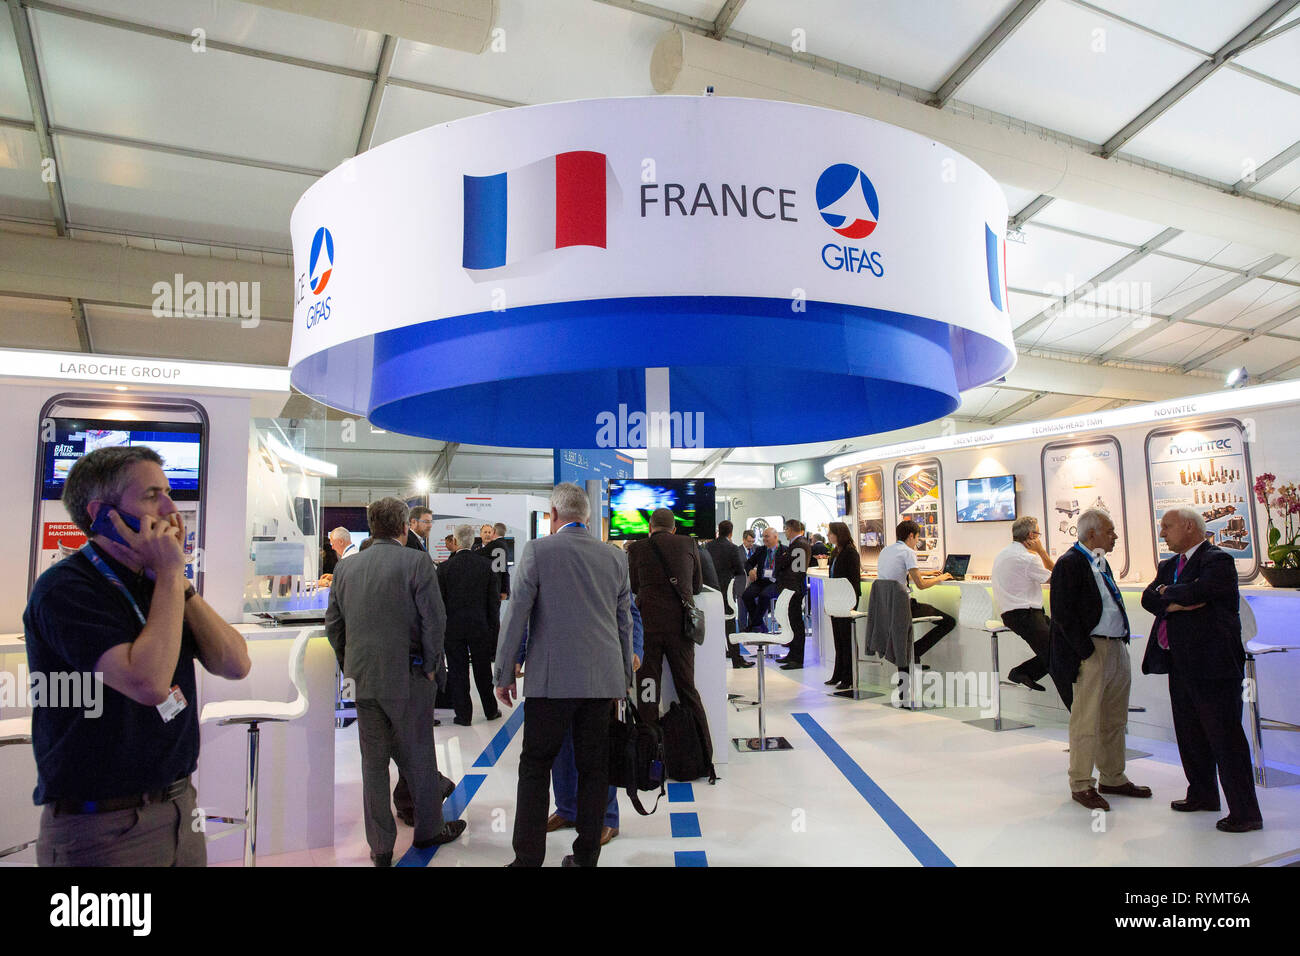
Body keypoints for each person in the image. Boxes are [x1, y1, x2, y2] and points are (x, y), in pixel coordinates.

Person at [23, 446, 252, 866]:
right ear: (101, 512)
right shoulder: (66, 589)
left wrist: (177, 581)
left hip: (180, 806)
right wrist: (168, 573)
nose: (170, 507)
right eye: (151, 495)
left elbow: (235, 664)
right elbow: (148, 684)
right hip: (102, 829)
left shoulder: (160, 585)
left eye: (167, 492)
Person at [494, 483, 633, 867]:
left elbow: (515, 616)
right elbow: (623, 624)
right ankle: (585, 858)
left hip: (550, 684)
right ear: (587, 517)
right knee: (594, 770)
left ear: (553, 516)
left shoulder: (538, 550)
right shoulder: (614, 557)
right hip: (602, 682)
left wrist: (504, 673)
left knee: (536, 767)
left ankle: (527, 860)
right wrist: (624, 680)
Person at [325, 497, 466, 865]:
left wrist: (349, 663)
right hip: (409, 676)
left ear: (372, 527)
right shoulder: (417, 562)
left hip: (363, 680)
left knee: (372, 765)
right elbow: (435, 620)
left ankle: (381, 848)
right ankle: (428, 831)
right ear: (405, 527)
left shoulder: (345, 569)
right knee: (418, 756)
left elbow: (334, 627)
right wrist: (434, 666)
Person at [1141, 507, 1262, 833]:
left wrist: (1174, 596)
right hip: (1178, 663)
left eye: (1167, 527)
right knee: (1190, 734)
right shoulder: (1169, 566)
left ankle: (1246, 812)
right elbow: (1147, 598)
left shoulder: (1217, 560)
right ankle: (1203, 793)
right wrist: (1175, 599)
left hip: (1213, 665)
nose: (1162, 533)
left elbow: (1201, 591)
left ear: (1190, 527)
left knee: (1225, 738)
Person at [1048, 508, 1150, 813]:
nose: (1115, 536)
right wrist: (1086, 652)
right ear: (1091, 534)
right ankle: (1081, 782)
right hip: (1093, 651)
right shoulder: (1070, 564)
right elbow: (1063, 614)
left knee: (1114, 719)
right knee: (1086, 720)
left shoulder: (1099, 562)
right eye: (1110, 531)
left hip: (1115, 647)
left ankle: (1113, 776)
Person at [548, 572, 645, 846]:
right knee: (562, 748)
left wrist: (635, 651)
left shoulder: (605, 566)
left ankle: (607, 818)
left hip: (602, 672)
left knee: (602, 748)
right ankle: (568, 810)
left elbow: (632, 616)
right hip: (559, 672)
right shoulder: (548, 564)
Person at [626, 508, 712, 760]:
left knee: (648, 687)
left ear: (649, 528)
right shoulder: (688, 542)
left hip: (648, 625)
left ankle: (649, 756)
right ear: (674, 528)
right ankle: (705, 755)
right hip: (680, 627)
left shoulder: (637, 548)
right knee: (687, 688)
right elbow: (696, 585)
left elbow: (634, 586)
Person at [440, 524, 502, 726]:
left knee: (458, 672)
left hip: (453, 628)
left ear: (455, 542)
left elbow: (440, 603)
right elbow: (493, 604)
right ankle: (491, 710)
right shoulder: (486, 566)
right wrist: (494, 632)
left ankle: (463, 715)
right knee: (483, 670)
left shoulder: (444, 568)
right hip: (480, 627)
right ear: (474, 540)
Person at [876, 519, 955, 668]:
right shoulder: (908, 552)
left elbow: (903, 573)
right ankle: (915, 652)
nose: (917, 541)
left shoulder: (886, 550)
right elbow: (921, 585)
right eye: (918, 537)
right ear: (911, 536)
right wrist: (941, 577)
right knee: (949, 622)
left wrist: (928, 572)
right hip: (903, 607)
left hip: (887, 607)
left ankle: (911, 655)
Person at [991, 516, 1054, 691]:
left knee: (1058, 645)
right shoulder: (1027, 558)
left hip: (1011, 615)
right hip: (1027, 615)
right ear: (1031, 535)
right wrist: (1041, 551)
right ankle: (1078, 714)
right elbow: (1058, 578)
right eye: (1038, 535)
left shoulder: (1002, 554)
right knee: (1056, 656)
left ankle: (1023, 672)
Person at [705, 521, 752, 668]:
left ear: (718, 530)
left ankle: (714, 658)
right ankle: (736, 660)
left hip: (711, 590)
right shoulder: (732, 548)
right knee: (730, 625)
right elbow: (739, 570)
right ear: (731, 533)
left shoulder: (708, 546)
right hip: (726, 591)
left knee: (712, 624)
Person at [825, 521, 861, 689]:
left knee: (846, 639)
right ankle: (838, 674)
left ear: (838, 534)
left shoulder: (850, 553)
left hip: (847, 601)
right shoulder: (835, 553)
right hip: (835, 600)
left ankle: (848, 677)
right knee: (838, 639)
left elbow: (853, 580)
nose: (827, 536)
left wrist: (851, 603)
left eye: (830, 533)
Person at [775, 518, 813, 669]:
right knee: (791, 622)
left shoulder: (800, 545)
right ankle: (792, 654)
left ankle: (797, 659)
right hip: (791, 588)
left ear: (790, 529)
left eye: (785, 530)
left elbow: (797, 570)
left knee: (796, 623)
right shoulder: (798, 545)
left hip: (793, 590)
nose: (785, 532)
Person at [742, 526, 787, 634]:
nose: (764, 539)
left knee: (764, 595)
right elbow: (748, 563)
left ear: (775, 537)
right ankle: (759, 624)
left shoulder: (784, 550)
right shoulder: (760, 550)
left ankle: (754, 624)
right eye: (763, 537)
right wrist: (750, 571)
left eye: (767, 536)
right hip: (761, 581)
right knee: (746, 595)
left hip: (776, 583)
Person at [480, 521, 511, 600]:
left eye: (489, 532)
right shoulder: (504, 544)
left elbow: (476, 555)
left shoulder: (494, 544)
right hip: (496, 586)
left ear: (494, 531)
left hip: (492, 586)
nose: (488, 534)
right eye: (485, 532)